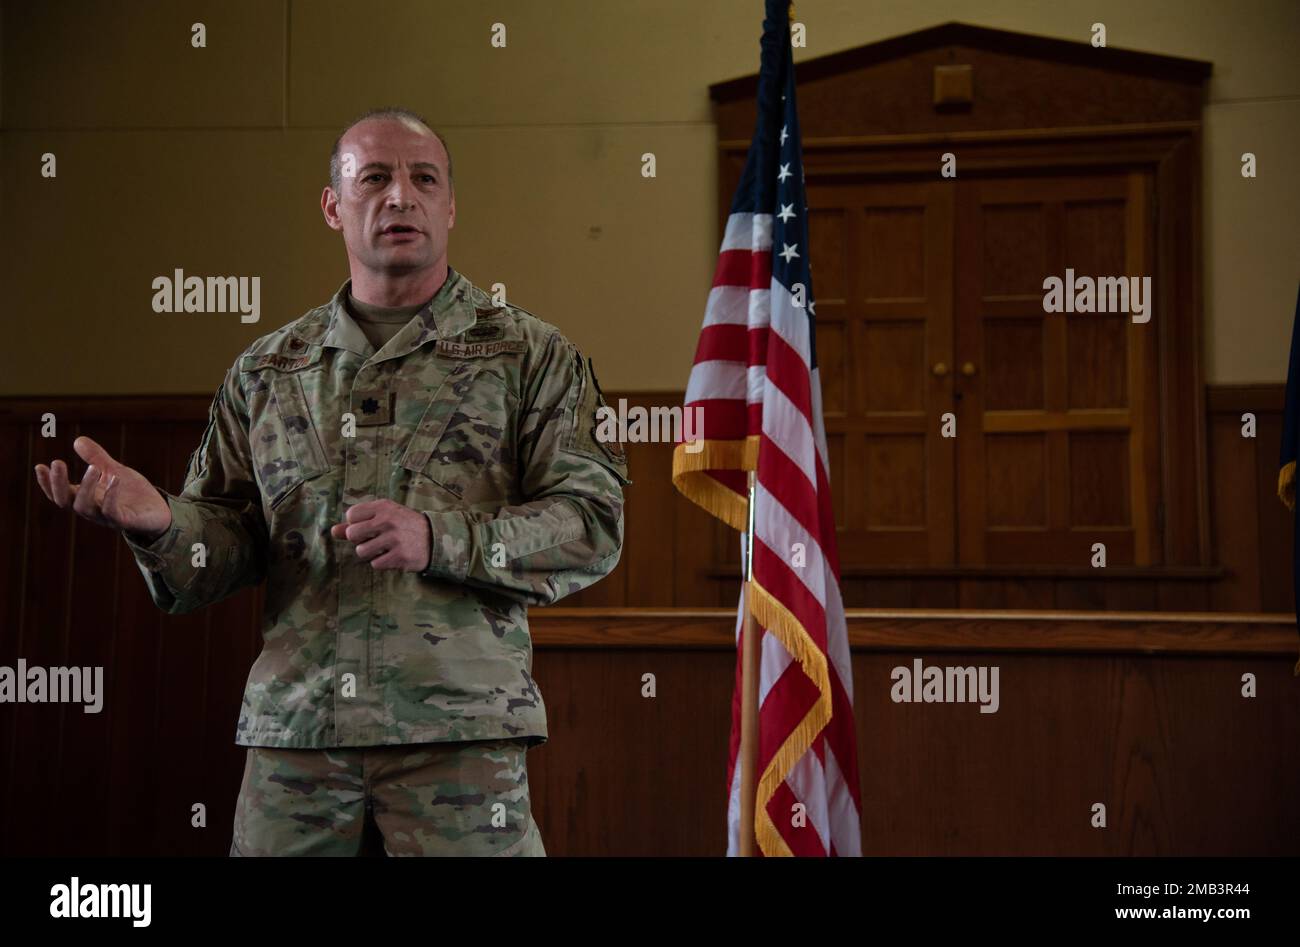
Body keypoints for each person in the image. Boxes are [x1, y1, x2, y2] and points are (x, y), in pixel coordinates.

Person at [32, 107, 629, 856]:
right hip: (298, 738)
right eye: (373, 178)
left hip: (457, 738)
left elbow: (592, 524)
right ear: (333, 205)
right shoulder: (267, 371)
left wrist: (440, 537)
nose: (400, 197)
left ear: (450, 206)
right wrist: (159, 524)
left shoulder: (530, 356)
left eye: (423, 179)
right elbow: (221, 554)